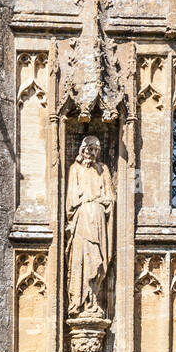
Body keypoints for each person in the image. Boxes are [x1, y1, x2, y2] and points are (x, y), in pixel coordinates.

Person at [65, 136, 115, 318]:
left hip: (99, 221)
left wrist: (102, 201)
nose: (90, 153)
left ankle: (93, 300)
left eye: (94, 149)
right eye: (88, 149)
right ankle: (80, 301)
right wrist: (86, 201)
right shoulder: (75, 170)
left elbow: (111, 197)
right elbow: (71, 202)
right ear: (81, 150)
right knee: (82, 260)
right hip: (82, 221)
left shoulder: (103, 170)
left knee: (99, 262)